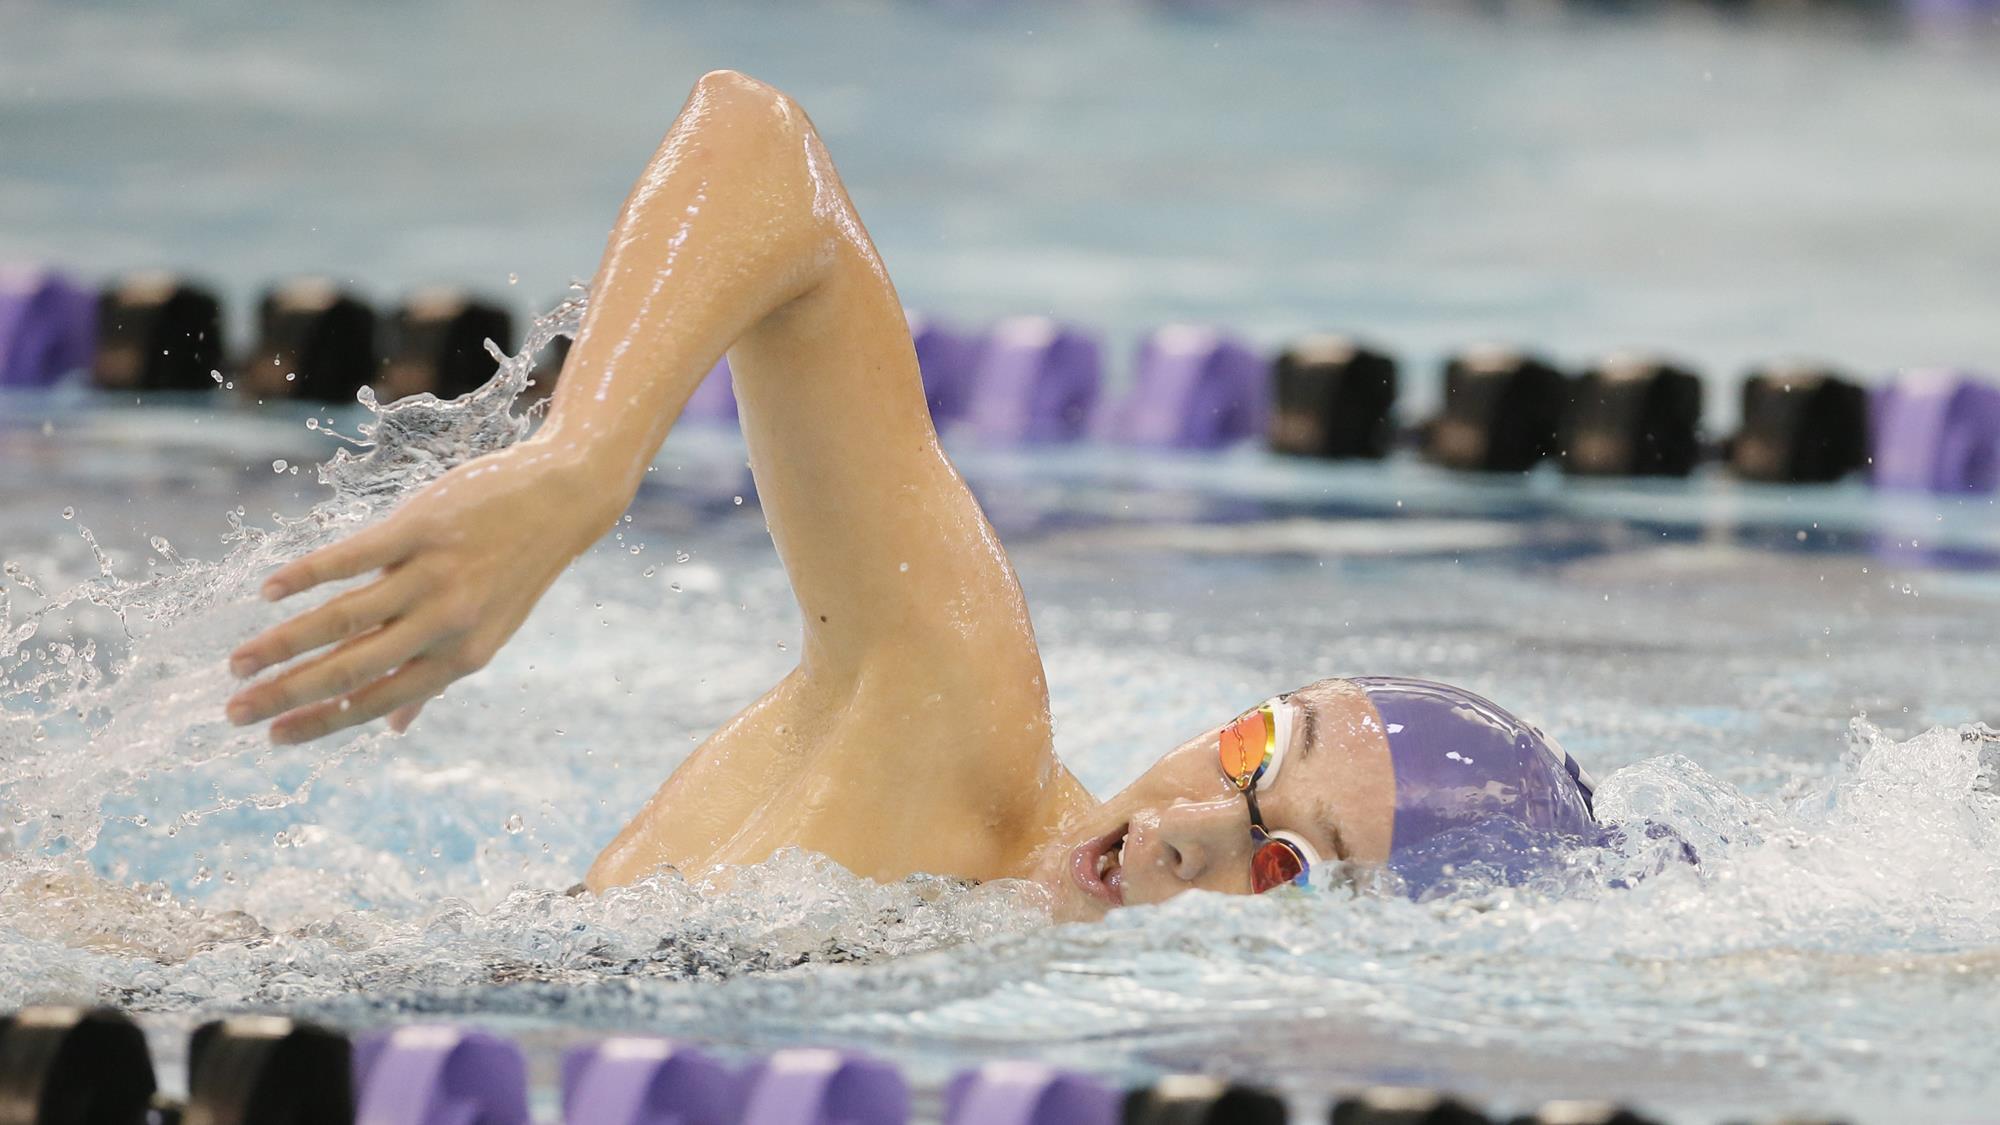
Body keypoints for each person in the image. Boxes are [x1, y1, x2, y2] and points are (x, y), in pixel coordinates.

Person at [221, 71, 1601, 924]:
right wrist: (580, 464)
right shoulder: (957, 737)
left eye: (1288, 865)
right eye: (1248, 754)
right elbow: (759, 148)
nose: (1187, 832)